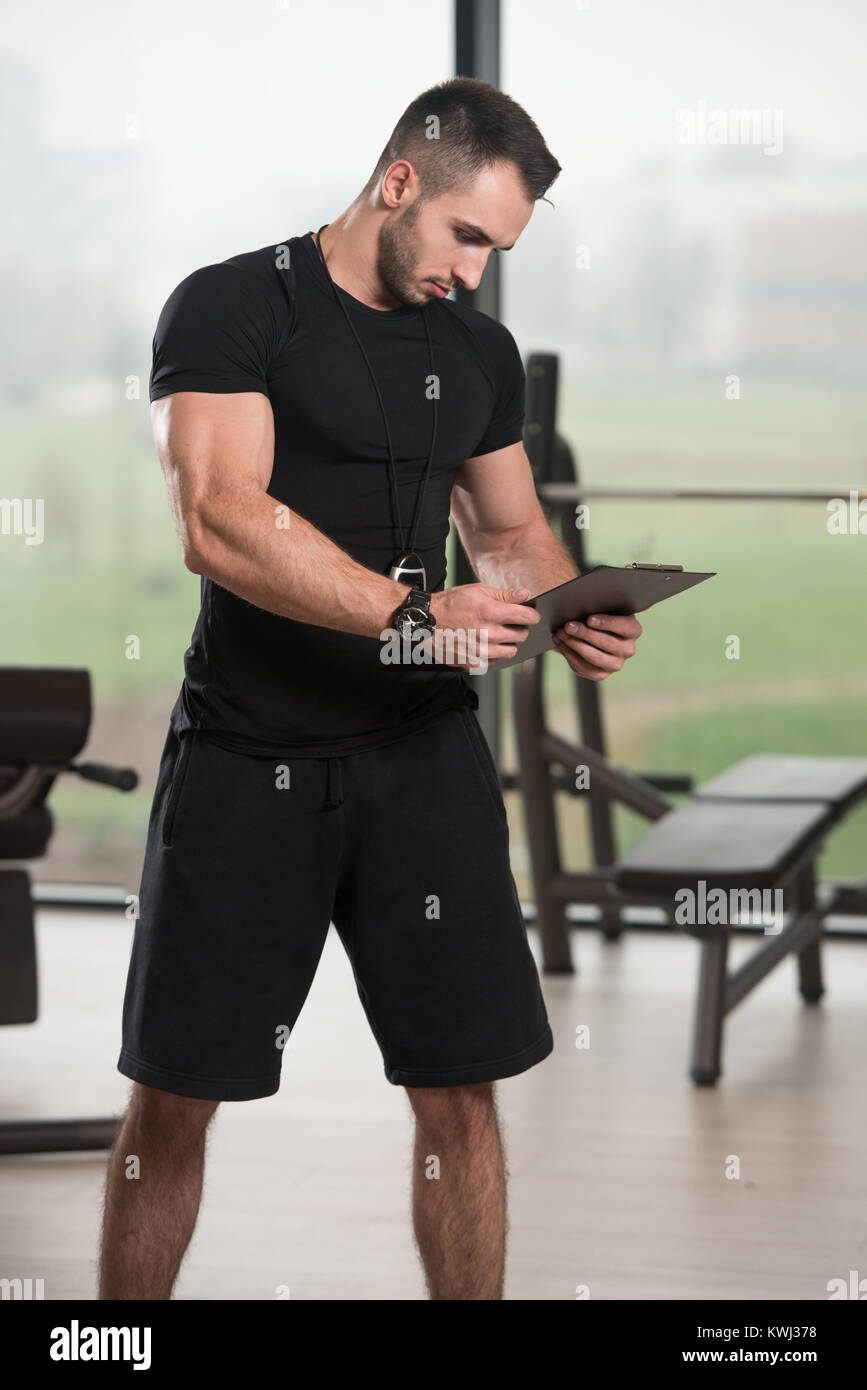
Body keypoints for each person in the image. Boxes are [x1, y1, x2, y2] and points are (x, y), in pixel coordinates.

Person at [99, 76, 641, 1302]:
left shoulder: (476, 349)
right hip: (250, 754)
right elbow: (220, 521)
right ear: (399, 182)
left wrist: (567, 610)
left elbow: (507, 536)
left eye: (498, 251)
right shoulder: (234, 306)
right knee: (175, 1098)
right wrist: (412, 612)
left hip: (421, 763)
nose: (475, 272)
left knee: (460, 1090)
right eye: (466, 236)